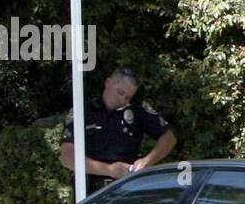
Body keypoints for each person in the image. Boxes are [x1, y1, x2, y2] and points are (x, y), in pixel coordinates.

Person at [60, 66, 177, 196]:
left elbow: (169, 138)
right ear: (107, 82)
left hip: (127, 192)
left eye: (128, 97)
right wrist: (109, 170)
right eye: (120, 93)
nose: (122, 100)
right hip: (91, 195)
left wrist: (146, 161)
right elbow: (68, 157)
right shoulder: (84, 111)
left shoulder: (136, 109)